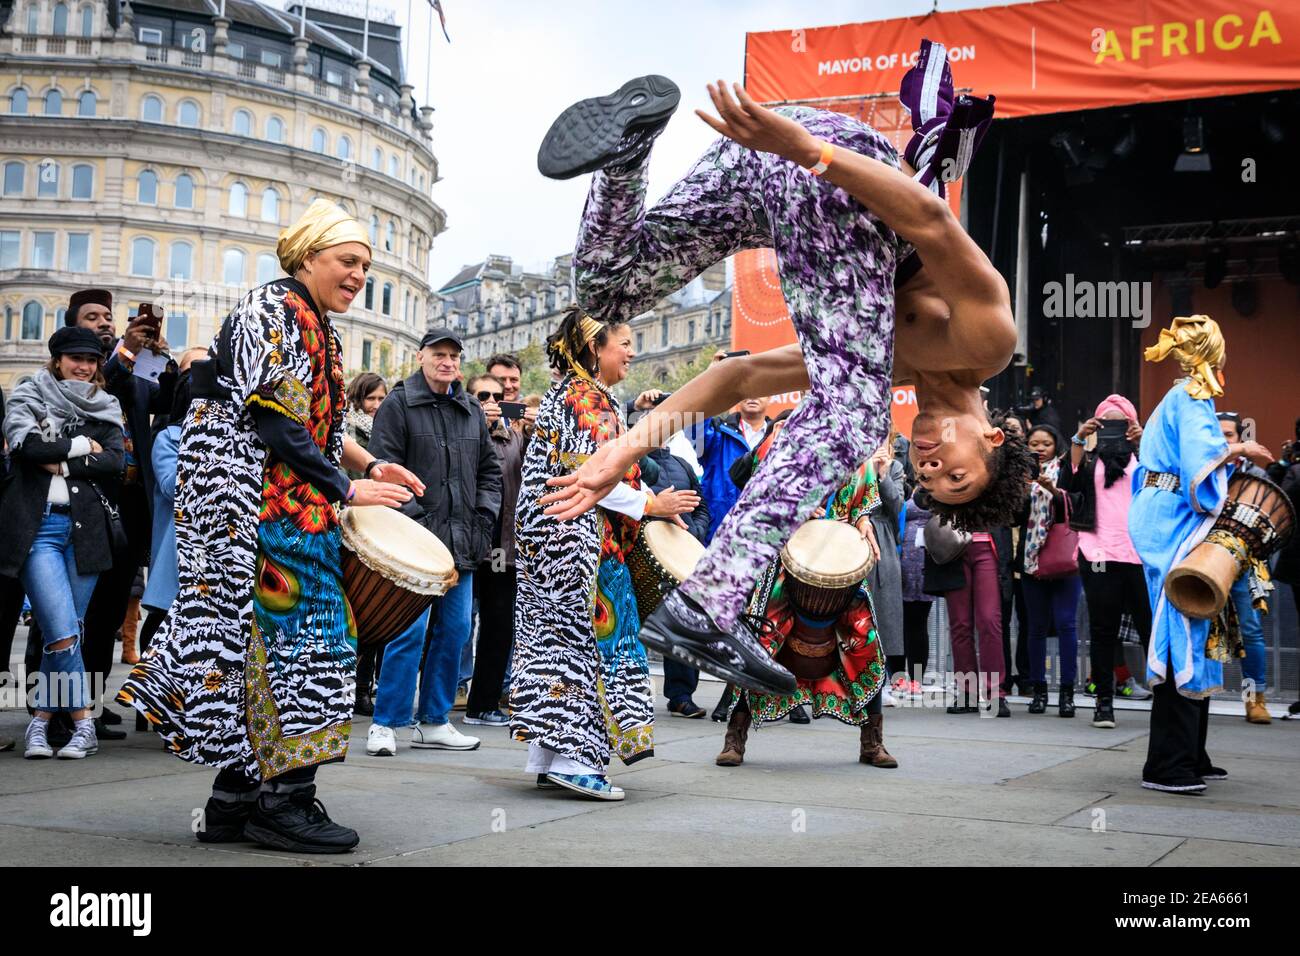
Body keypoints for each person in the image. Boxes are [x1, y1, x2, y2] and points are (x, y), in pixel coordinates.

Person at [538, 49, 1035, 696]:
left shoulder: (870, 360)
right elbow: (931, 219)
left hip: (760, 174)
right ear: (993, 438)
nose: (931, 463)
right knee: (856, 418)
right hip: (823, 162)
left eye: (933, 479)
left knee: (608, 294)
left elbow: (736, 381)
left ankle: (629, 147)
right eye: (955, 471)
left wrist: (621, 451)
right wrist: (806, 149)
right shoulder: (988, 340)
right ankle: (709, 601)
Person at [117, 199, 423, 852]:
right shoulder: (273, 310)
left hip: (286, 508)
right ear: (308, 256)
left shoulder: (317, 325)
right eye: (347, 261)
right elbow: (270, 417)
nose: (357, 276)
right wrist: (347, 486)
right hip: (264, 511)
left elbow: (314, 423)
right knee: (314, 648)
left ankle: (233, 800)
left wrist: (373, 463)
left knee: (261, 654)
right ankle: (285, 803)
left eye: (365, 266)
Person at [511, 307, 698, 800]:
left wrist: (651, 504)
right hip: (579, 547)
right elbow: (590, 477)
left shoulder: (572, 396)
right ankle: (577, 761)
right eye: (625, 343)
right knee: (587, 648)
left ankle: (549, 756)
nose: (632, 353)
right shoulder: (585, 400)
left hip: (552, 544)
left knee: (554, 648)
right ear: (595, 348)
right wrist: (651, 503)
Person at [1131, 315, 1273, 793]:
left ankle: (1191, 753)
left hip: (1162, 514)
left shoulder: (1181, 397)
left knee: (1194, 622)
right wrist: (1240, 453)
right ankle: (1168, 765)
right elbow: (1198, 470)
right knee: (1183, 625)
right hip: (1173, 517)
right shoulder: (1192, 397)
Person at [364, 329, 502, 756]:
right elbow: (384, 469)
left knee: (456, 630)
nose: (446, 361)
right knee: (408, 631)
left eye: (453, 355)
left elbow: (489, 473)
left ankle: (436, 720)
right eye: (438, 354)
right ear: (421, 356)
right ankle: (386, 722)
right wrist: (414, 525)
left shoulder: (470, 409)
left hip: (462, 542)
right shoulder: (398, 403)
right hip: (413, 543)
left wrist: (482, 520)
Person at [715, 457, 895, 768]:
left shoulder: (862, 458)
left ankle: (872, 742)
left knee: (865, 645)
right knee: (759, 646)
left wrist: (863, 521)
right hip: (787, 563)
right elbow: (758, 498)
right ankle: (735, 737)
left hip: (842, 568)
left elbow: (862, 504)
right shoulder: (791, 446)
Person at [3, 327, 125, 759]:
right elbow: (28, 448)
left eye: (92, 360)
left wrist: (66, 467)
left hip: (87, 531)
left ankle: (39, 724)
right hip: (39, 530)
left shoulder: (106, 406)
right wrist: (77, 444)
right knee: (59, 632)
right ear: (57, 360)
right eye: (76, 358)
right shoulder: (27, 395)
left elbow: (116, 461)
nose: (85, 366)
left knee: (68, 630)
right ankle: (82, 723)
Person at [1065, 395, 1152, 729]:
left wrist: (1143, 441)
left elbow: (1164, 479)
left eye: (1120, 421)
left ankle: (1167, 700)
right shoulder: (1088, 459)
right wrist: (1079, 438)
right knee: (1104, 631)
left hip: (1140, 554)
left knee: (1149, 628)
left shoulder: (1144, 458)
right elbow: (1068, 479)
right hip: (1098, 553)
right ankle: (1104, 703)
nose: (1113, 428)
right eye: (1106, 422)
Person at [463, 372, 525, 727]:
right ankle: (430, 707)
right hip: (462, 543)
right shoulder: (461, 434)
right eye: (482, 395)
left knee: (498, 624)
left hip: (500, 549)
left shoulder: (515, 436)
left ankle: (483, 704)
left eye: (496, 396)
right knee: (451, 626)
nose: (490, 401)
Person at [640, 437, 711, 718]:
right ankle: (632, 692)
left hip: (684, 557)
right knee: (637, 624)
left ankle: (681, 696)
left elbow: (702, 506)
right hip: (643, 555)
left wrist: (696, 533)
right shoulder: (634, 464)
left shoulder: (682, 464)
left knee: (683, 623)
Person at [1019, 423, 1081, 717]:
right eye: (1034, 443)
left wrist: (1052, 490)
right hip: (1032, 558)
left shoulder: (1068, 468)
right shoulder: (1019, 475)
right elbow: (1013, 517)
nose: (1039, 448)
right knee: (1036, 627)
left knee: (1067, 624)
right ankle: (1038, 691)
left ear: (1056, 445)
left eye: (1045, 443)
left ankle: (1067, 693)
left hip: (1064, 556)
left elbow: (1075, 505)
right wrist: (1020, 488)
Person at [1217, 411, 1272, 724]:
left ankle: (1255, 699)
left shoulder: (1255, 474)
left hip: (1243, 564)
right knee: (1196, 629)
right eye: (1218, 434)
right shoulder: (1200, 468)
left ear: (1240, 439)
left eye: (1229, 435)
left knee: (1250, 630)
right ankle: (1194, 697)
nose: (1223, 440)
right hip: (1201, 561)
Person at [342, 371, 388, 717]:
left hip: (381, 524)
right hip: (351, 519)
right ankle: (349, 686)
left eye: (381, 399)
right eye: (370, 399)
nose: (375, 405)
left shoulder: (386, 432)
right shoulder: (347, 431)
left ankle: (364, 688)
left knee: (375, 616)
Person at [898, 493, 934, 696]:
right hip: (902, 566)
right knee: (900, 624)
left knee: (919, 625)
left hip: (925, 568)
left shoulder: (939, 491)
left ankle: (916, 678)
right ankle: (897, 676)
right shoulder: (903, 486)